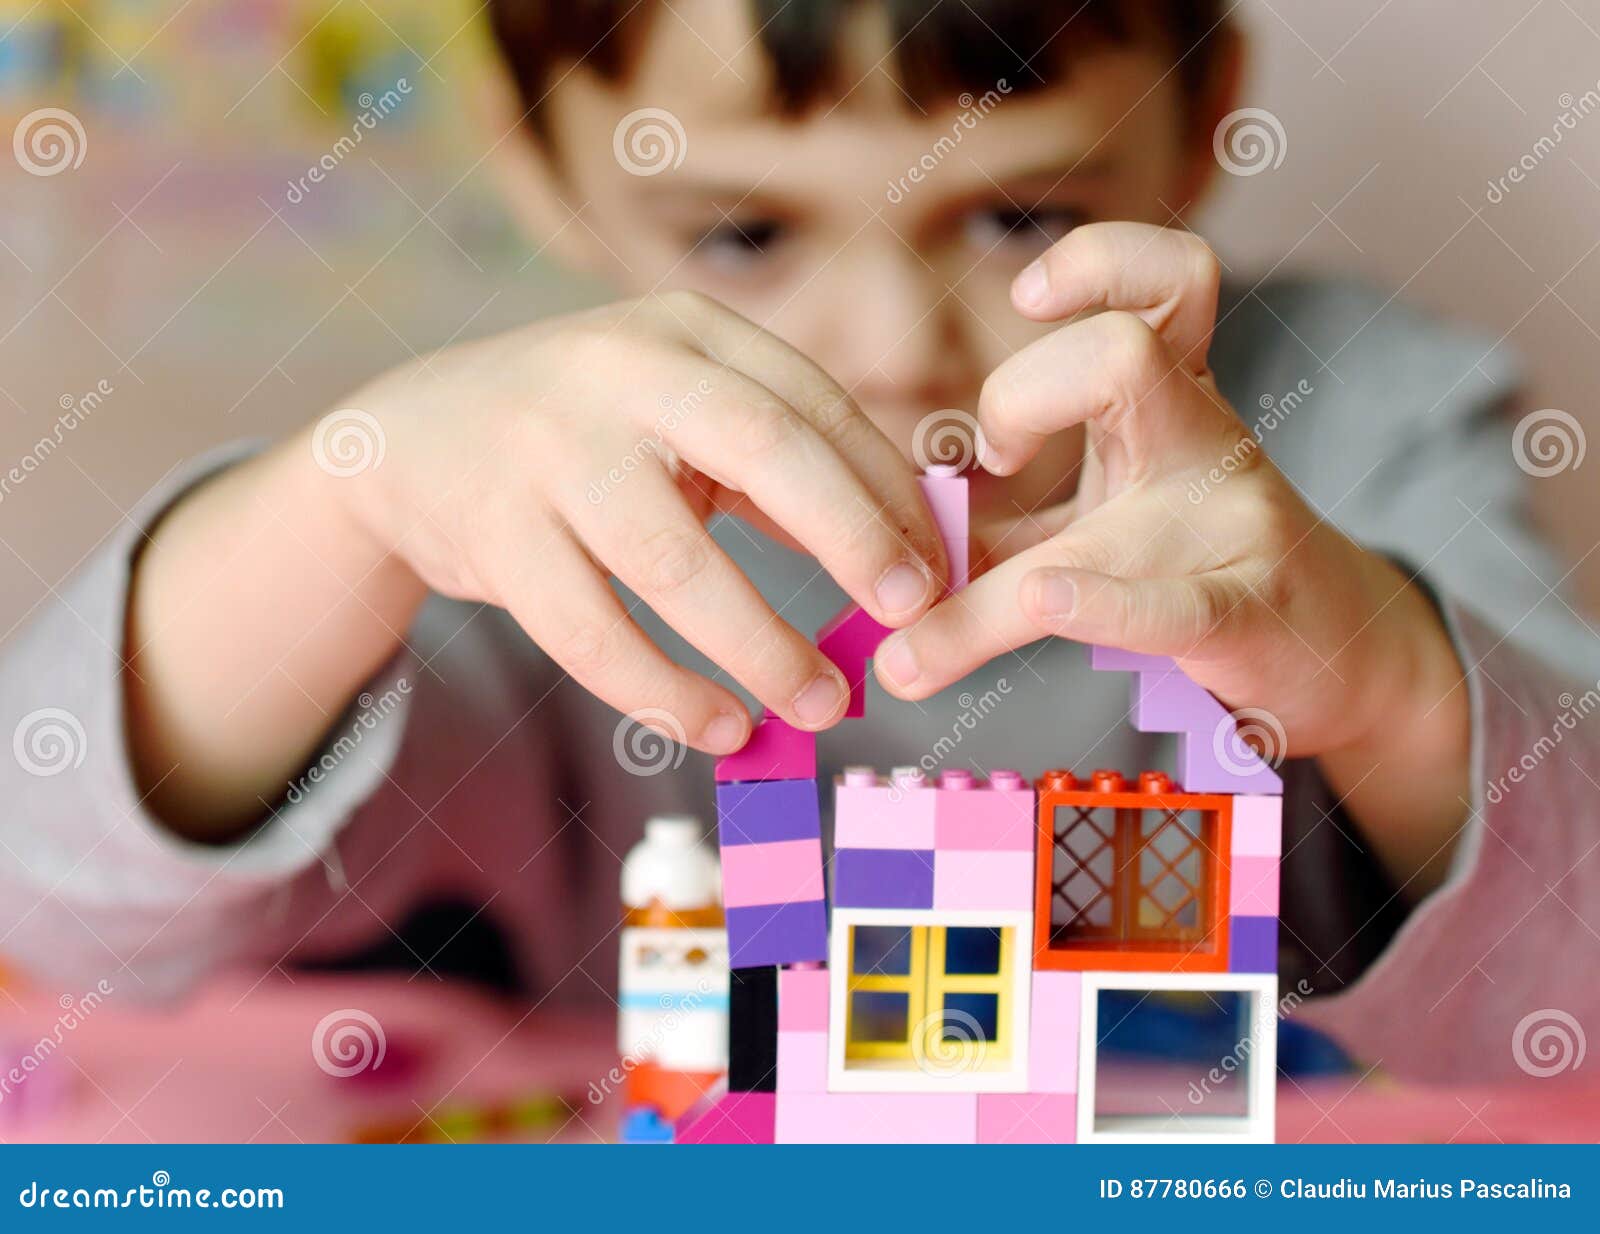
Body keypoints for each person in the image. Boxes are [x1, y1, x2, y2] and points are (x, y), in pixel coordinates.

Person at [3, 0, 1596, 1083]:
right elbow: (51, 903)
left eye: (1022, 213)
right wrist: (339, 504)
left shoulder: (1362, 420)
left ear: (1202, 118)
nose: (897, 348)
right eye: (746, 231)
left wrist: (1394, 683)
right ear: (534, 154)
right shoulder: (496, 512)